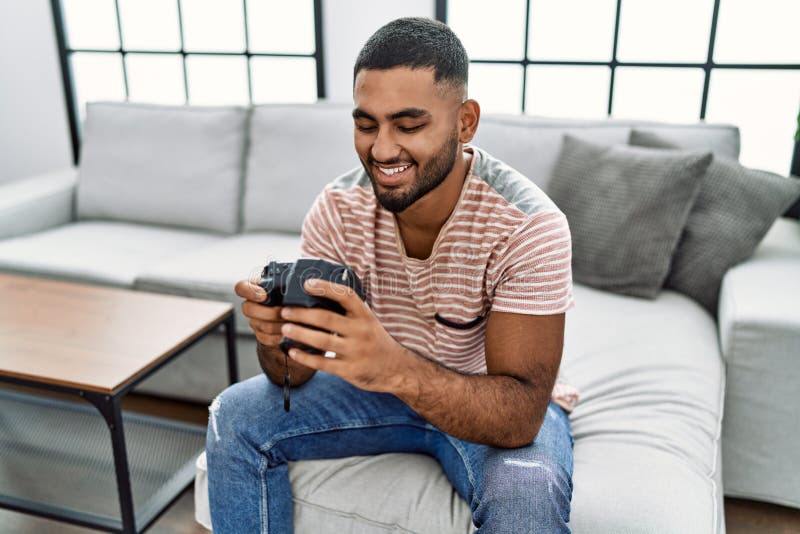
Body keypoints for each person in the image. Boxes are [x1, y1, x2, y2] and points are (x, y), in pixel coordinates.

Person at [207, 17, 579, 534]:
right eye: (366, 125)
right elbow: (293, 376)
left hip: (485, 399)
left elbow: (519, 417)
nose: (382, 150)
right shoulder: (338, 208)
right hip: (374, 388)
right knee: (234, 415)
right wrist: (275, 339)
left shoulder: (528, 226)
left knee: (527, 490)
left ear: (465, 122)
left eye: (408, 126)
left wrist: (393, 367)